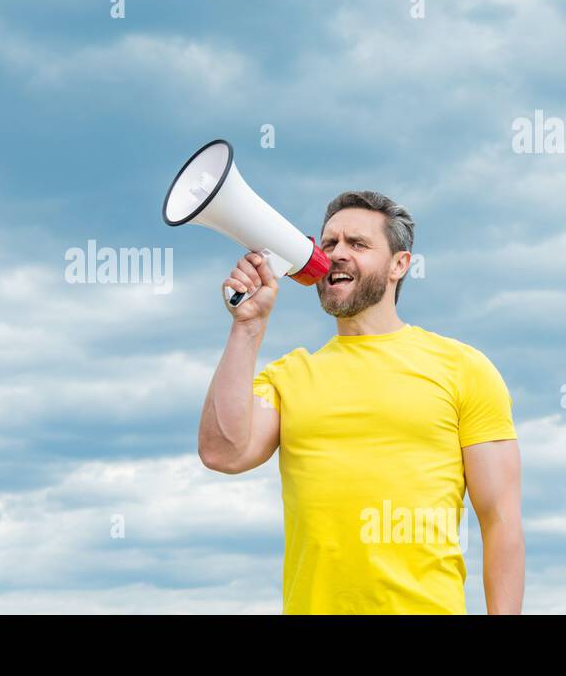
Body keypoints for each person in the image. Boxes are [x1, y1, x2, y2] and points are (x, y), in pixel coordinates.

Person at [197, 190, 524, 614]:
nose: (337, 254)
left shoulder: (463, 368)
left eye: (358, 244)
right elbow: (222, 452)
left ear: (399, 264)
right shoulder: (289, 377)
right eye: (328, 243)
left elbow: (500, 521)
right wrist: (248, 327)